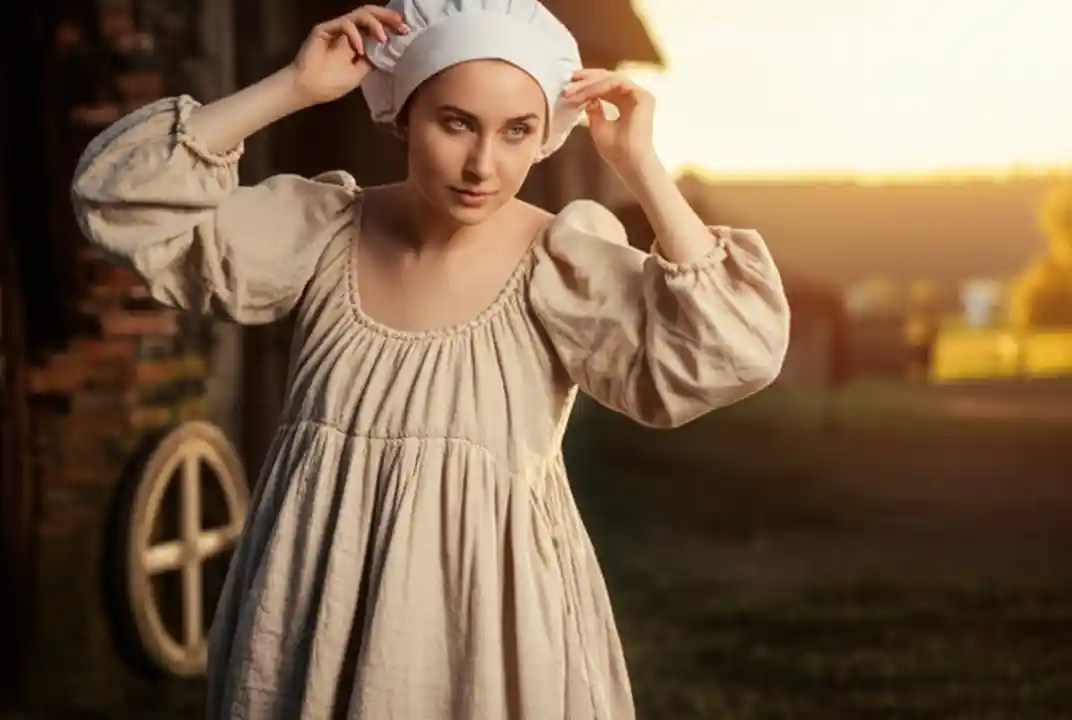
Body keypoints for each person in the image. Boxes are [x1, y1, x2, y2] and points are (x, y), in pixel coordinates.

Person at [71, 1, 791, 717]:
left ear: (547, 136)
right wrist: (289, 88)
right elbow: (122, 199)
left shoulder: (561, 260)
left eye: (517, 132)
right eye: (456, 123)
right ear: (401, 116)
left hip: (488, 620)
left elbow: (733, 349)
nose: (484, 164)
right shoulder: (323, 233)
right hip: (313, 600)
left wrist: (640, 165)